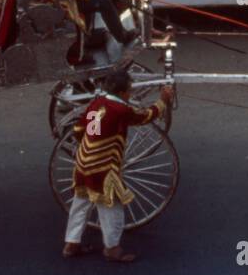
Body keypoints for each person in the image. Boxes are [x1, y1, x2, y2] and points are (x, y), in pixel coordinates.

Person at [62, 67, 173, 263]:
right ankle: (112, 248)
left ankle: (71, 244)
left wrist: (93, 143)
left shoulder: (96, 104)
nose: (130, 94)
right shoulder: (121, 110)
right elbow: (145, 116)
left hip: (82, 164)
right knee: (111, 207)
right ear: (123, 93)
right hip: (103, 169)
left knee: (80, 205)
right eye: (129, 90)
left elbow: (80, 129)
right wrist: (162, 101)